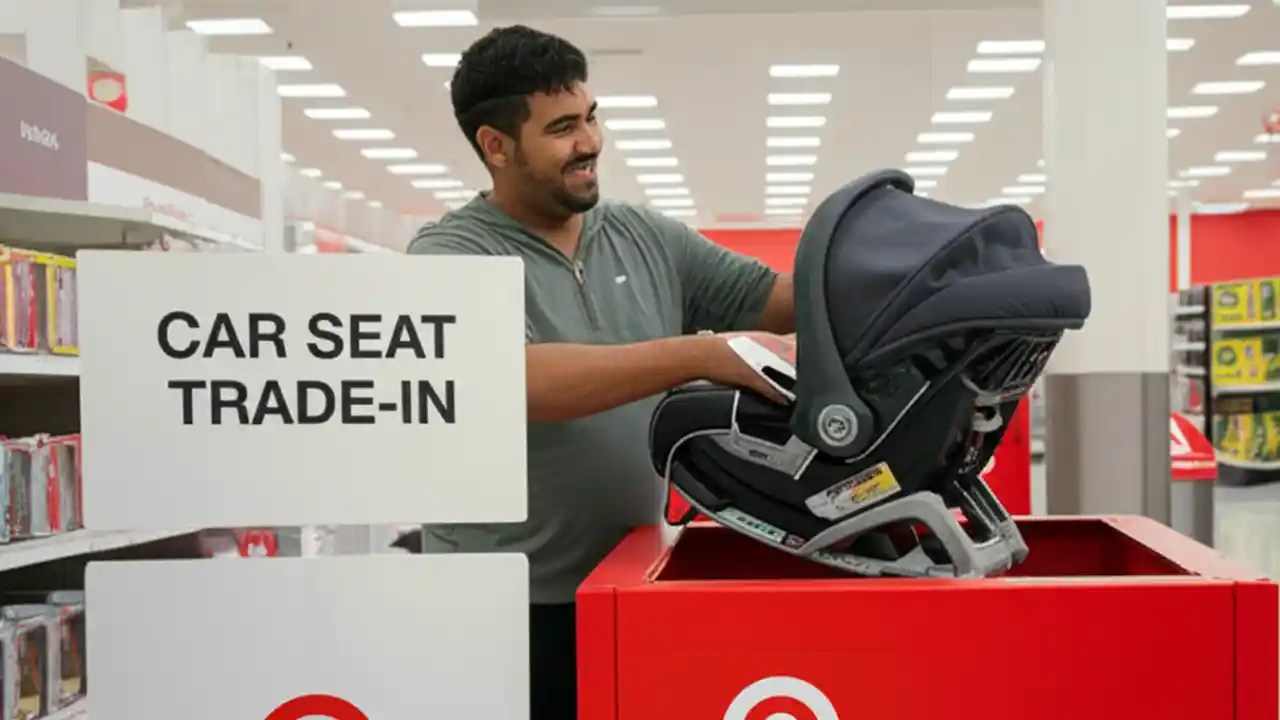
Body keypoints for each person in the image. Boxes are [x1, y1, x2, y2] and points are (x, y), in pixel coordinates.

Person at [406, 24, 796, 720]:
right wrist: (704, 353)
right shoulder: (450, 254)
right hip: (502, 608)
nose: (589, 142)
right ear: (495, 146)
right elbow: (519, 382)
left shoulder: (645, 234)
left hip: (627, 585)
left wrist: (887, 265)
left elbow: (776, 301)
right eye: (561, 128)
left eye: (590, 117)